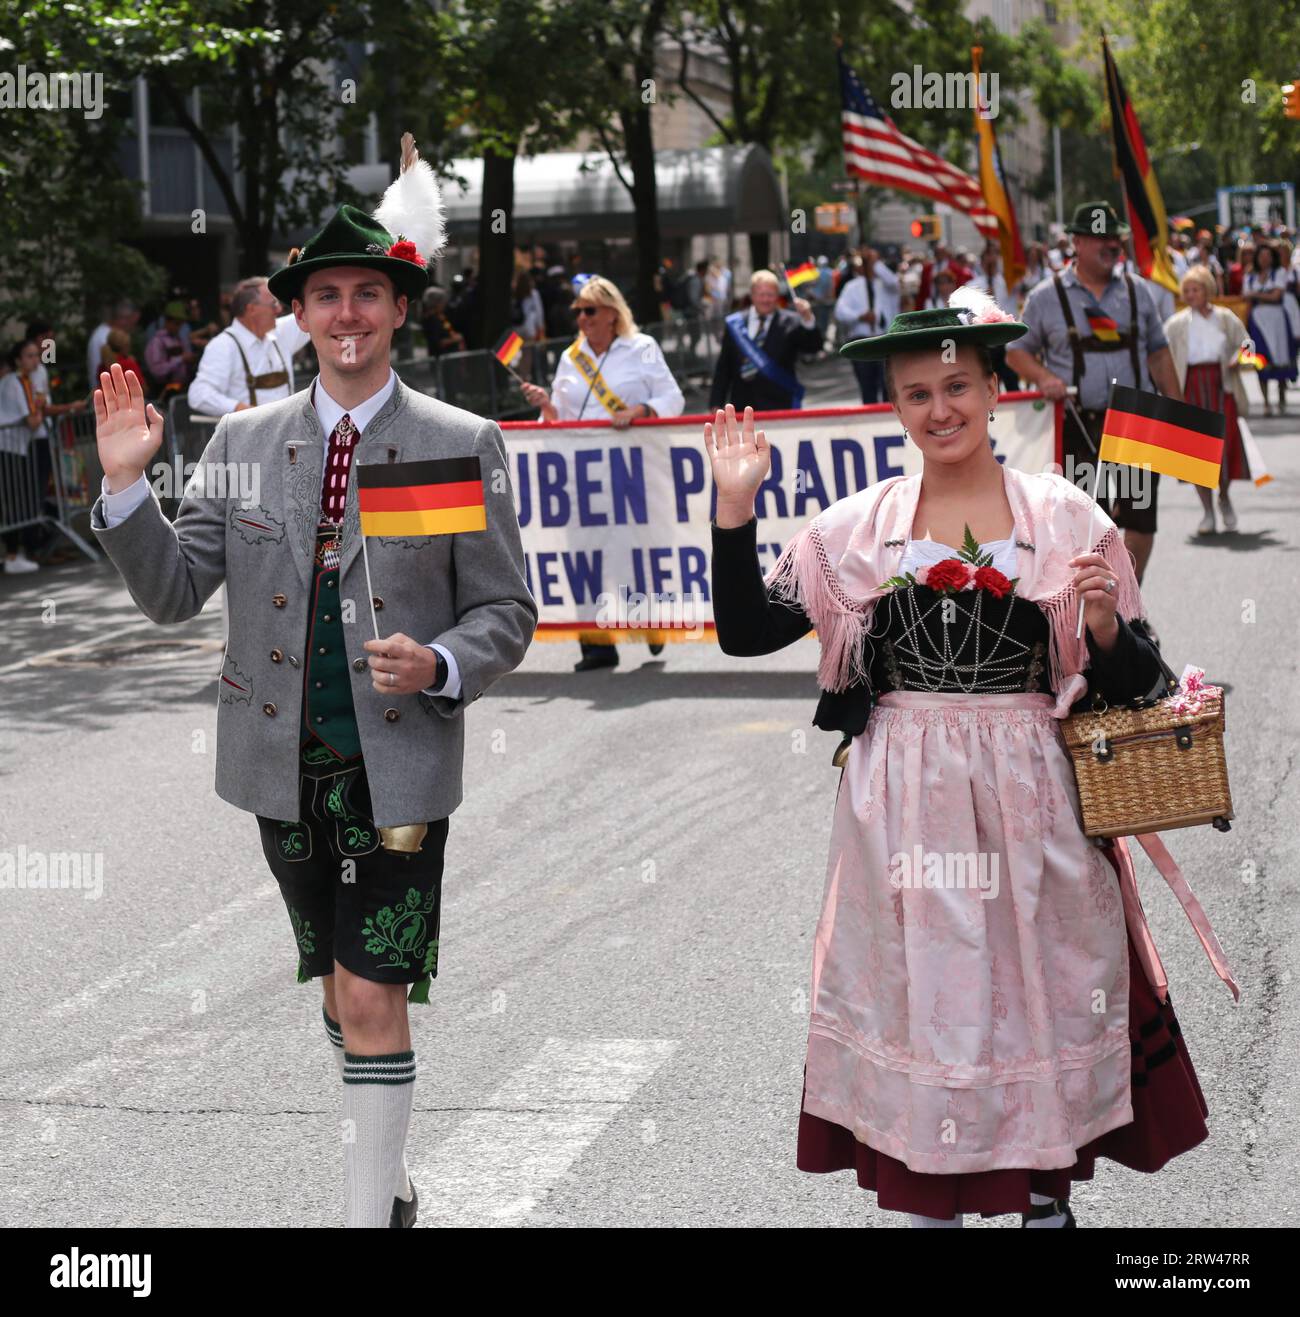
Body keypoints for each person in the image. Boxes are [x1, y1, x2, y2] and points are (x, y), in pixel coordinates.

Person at [704, 302, 1239, 1229]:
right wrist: (734, 507)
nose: (939, 408)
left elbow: (1140, 682)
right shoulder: (858, 528)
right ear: (897, 407)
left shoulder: (1065, 514)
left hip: (1036, 800)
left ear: (996, 391)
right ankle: (927, 1186)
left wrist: (1105, 626)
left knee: (1041, 982)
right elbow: (748, 631)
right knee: (926, 995)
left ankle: (1038, 1190)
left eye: (957, 386)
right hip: (900, 807)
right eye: (917, 394)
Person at [88, 135, 537, 1228]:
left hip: (401, 771)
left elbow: (506, 613)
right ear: (298, 314)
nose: (346, 314)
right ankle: (387, 1178)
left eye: (367, 295)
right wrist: (122, 490)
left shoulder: (456, 439)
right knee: (341, 994)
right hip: (280, 770)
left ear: (395, 308)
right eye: (326, 296)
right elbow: (174, 592)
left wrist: (440, 661)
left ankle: (361, 1215)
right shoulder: (237, 438)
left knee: (376, 990)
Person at [1005, 201, 1183, 590]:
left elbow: (1158, 351)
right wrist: (1044, 376)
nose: (1111, 246)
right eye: (1101, 239)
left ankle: (1125, 606)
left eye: (1115, 239)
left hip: (1135, 425)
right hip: (1078, 424)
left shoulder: (1138, 292)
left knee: (1139, 519)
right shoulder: (1044, 297)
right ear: (1077, 243)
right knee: (1089, 523)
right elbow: (1016, 351)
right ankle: (1095, 612)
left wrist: (1176, 411)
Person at [519, 275, 684, 672]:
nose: (582, 317)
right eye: (577, 311)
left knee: (633, 548)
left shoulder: (641, 348)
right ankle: (596, 644)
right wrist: (545, 406)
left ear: (612, 313)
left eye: (590, 310)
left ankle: (648, 619)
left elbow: (672, 398)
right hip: (580, 472)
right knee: (585, 554)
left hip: (631, 469)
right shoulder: (570, 356)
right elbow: (560, 418)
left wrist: (641, 411)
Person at [1163, 265, 1254, 534]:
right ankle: (1207, 511)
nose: (1190, 295)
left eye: (1196, 289)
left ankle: (1224, 498)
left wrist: (1240, 358)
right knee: (1195, 454)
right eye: (1187, 291)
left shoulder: (1225, 318)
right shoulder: (1176, 324)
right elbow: (1161, 354)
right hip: (1191, 389)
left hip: (1221, 387)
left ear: (1207, 290)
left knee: (1225, 449)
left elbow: (1248, 344)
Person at [188, 276, 312, 416]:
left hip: (288, 433)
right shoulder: (224, 346)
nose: (279, 309)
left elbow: (312, 316)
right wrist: (242, 409)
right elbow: (199, 394)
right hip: (249, 436)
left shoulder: (279, 333)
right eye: (273, 304)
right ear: (252, 309)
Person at [709, 270, 822, 413]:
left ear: (777, 296)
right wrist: (716, 402)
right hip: (742, 405)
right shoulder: (735, 323)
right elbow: (724, 367)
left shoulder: (791, 321)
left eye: (770, 295)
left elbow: (814, 347)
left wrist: (808, 319)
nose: (765, 300)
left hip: (779, 405)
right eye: (761, 294)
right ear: (752, 295)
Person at [0, 338, 54, 573]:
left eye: (36, 354)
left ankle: (15, 553)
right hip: (8, 447)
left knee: (17, 500)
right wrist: (40, 407)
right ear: (18, 360)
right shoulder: (14, 383)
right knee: (13, 502)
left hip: (16, 447)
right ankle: (12, 556)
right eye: (29, 355)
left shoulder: (23, 381)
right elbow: (32, 421)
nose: (35, 359)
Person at [834, 247, 901, 403]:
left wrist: (875, 262)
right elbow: (840, 311)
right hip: (862, 340)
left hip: (884, 339)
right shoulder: (852, 286)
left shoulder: (885, 285)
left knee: (888, 387)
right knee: (867, 386)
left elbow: (892, 281)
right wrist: (859, 317)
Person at [1242, 241, 1297, 416]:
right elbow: (1246, 299)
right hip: (1257, 321)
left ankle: (1281, 398)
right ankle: (1266, 402)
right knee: (1261, 360)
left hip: (1277, 321)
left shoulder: (1279, 273)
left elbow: (1276, 296)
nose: (1264, 259)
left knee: (1281, 358)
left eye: (1268, 256)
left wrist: (1256, 294)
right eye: (1261, 256)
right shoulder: (1249, 276)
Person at [144, 300, 197, 393]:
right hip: (164, 391)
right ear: (167, 321)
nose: (179, 327)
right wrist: (181, 359)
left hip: (181, 387)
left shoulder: (177, 339)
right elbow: (157, 370)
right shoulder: (157, 342)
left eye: (181, 324)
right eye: (176, 323)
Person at [86, 300, 137, 387]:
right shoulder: (107, 336)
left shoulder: (102, 332)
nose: (130, 324)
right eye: (129, 319)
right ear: (121, 319)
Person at [419, 286, 465, 357]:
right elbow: (436, 343)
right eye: (442, 302)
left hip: (448, 358)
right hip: (440, 360)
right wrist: (454, 339)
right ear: (436, 303)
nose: (444, 304)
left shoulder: (440, 316)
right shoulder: (431, 320)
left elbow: (448, 330)